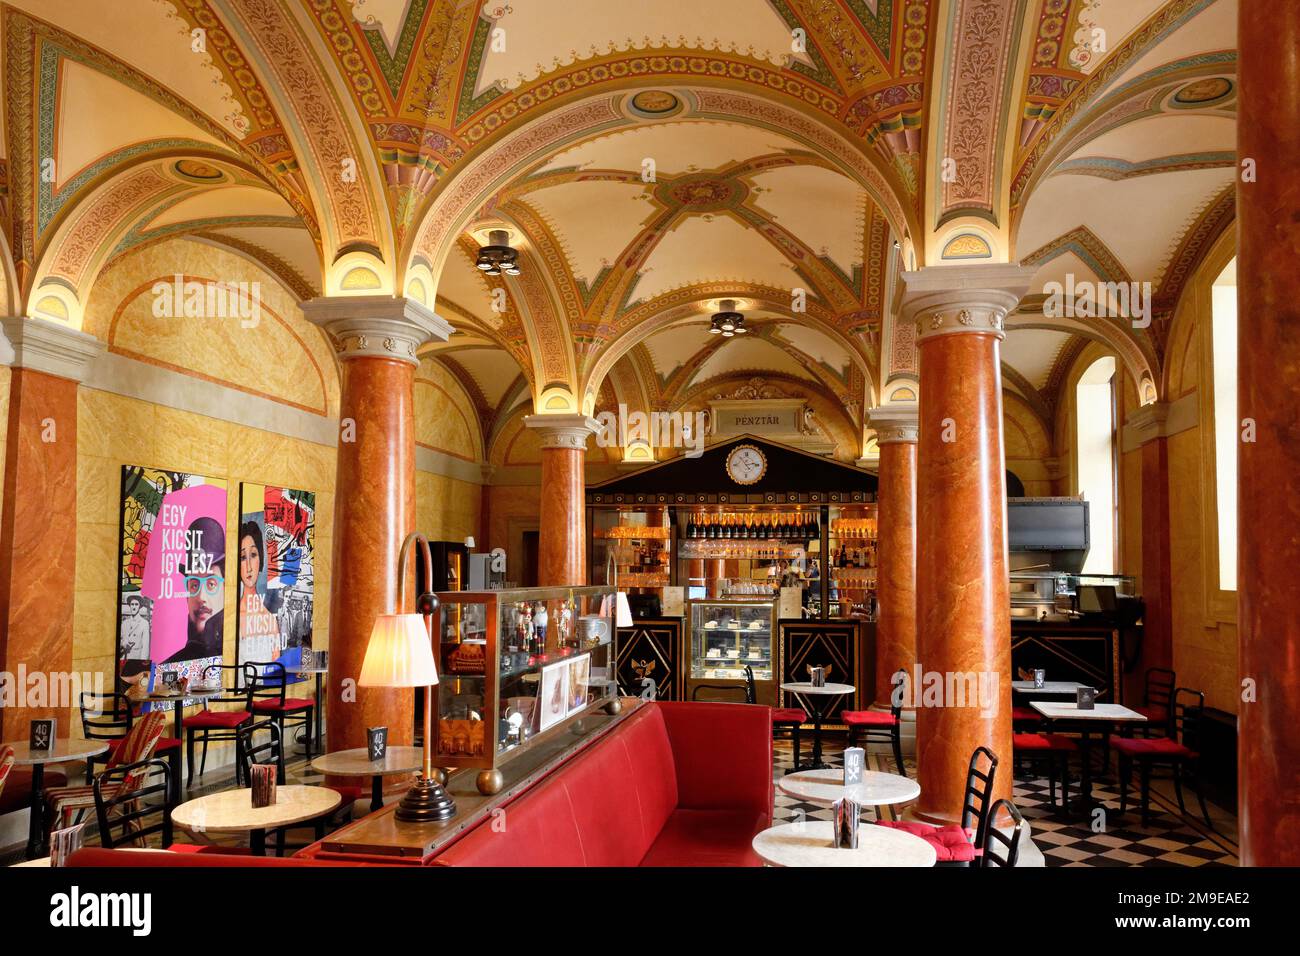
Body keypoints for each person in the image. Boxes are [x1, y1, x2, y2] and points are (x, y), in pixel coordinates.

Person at [164, 516, 225, 663]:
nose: (201, 596)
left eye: (211, 584)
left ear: (225, 590)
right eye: (194, 585)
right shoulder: (170, 666)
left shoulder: (237, 654)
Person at [237, 521, 283, 665]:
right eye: (243, 558)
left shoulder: (270, 620)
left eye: (253, 554)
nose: (249, 567)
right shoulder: (233, 615)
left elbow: (276, 669)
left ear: (260, 558)